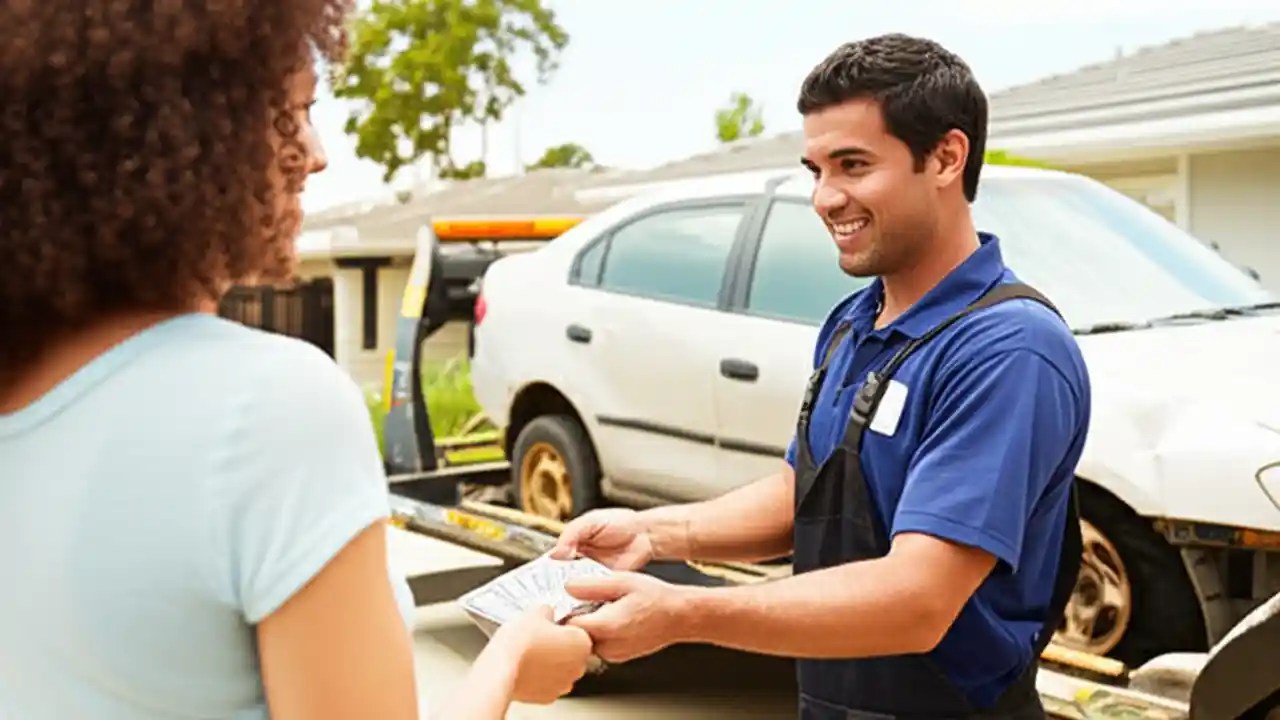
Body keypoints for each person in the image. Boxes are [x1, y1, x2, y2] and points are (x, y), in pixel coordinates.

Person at [0, 2, 591, 719]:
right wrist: (510, 658)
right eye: (295, 112)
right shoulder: (264, 407)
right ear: (191, 132)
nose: (315, 153)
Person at [552, 33, 1092, 719]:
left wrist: (684, 613)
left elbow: (918, 600)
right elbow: (810, 491)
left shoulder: (1007, 350)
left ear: (947, 158)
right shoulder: (853, 322)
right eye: (816, 170)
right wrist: (656, 535)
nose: (825, 198)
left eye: (854, 165)